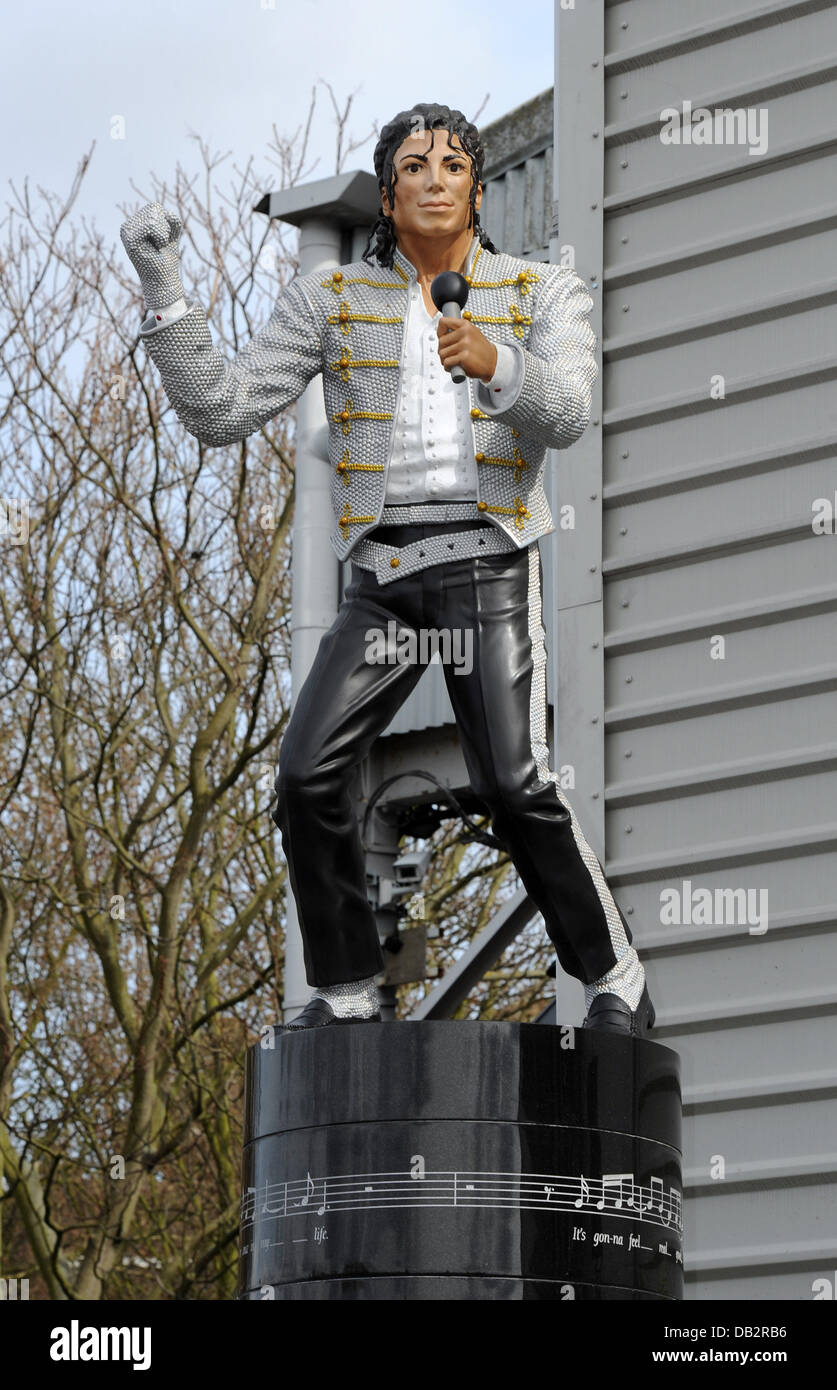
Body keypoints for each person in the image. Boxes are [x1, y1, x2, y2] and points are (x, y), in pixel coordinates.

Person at [120, 102, 655, 1037]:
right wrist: (164, 288)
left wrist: (499, 363)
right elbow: (220, 409)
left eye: (453, 163)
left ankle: (613, 976)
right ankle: (347, 989)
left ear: (479, 190)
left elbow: (568, 411)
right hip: (383, 577)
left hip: (486, 562)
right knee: (305, 774)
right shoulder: (332, 300)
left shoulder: (539, 290)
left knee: (512, 779)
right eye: (414, 165)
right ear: (389, 193)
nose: (436, 176)